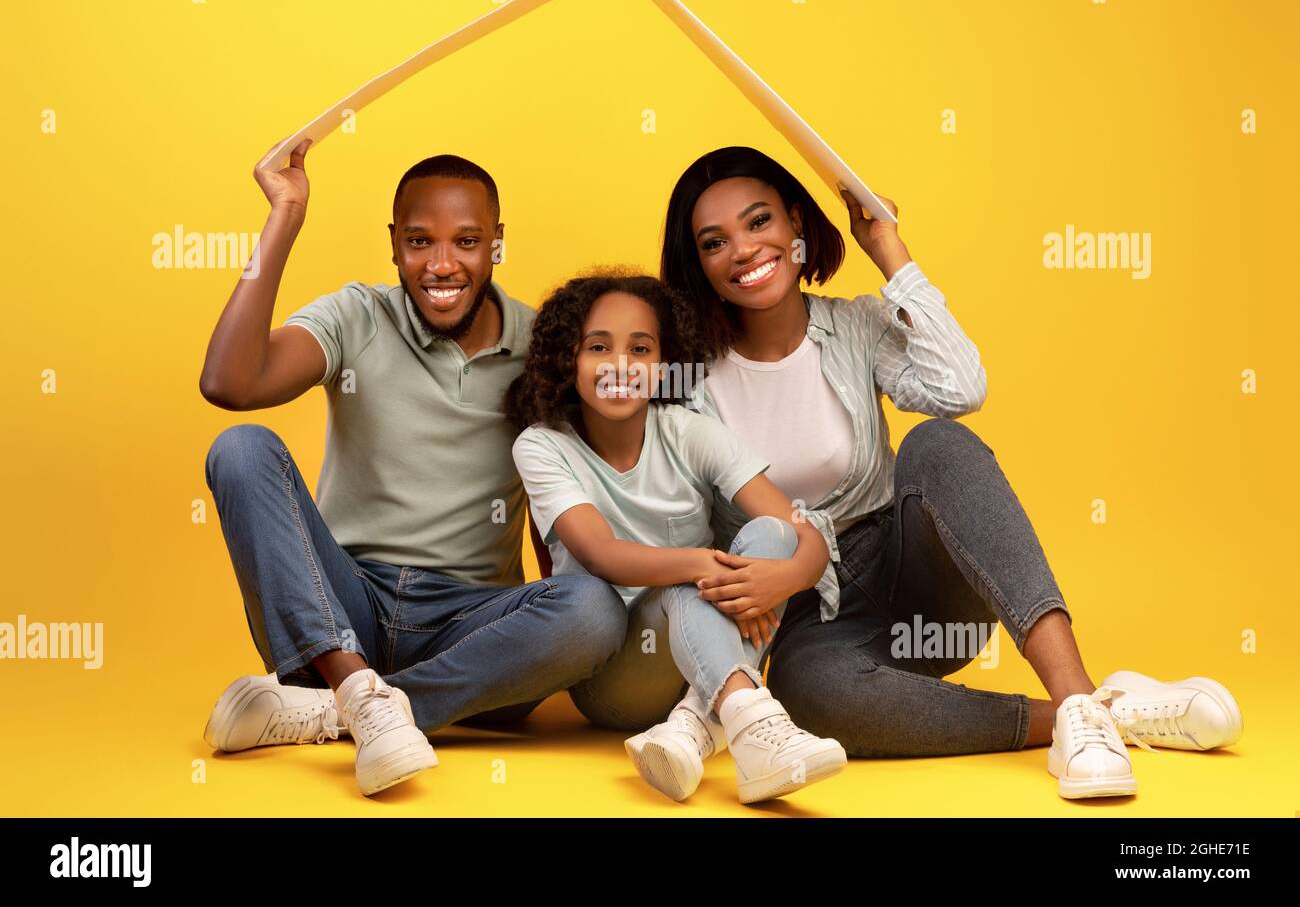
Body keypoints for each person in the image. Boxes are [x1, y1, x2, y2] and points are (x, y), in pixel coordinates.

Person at [658, 146, 1243, 799]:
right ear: (700, 267)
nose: (742, 249)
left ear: (796, 225)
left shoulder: (855, 325)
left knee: (938, 441)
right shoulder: (688, 379)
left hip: (917, 582)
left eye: (759, 221)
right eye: (715, 242)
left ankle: (1076, 695)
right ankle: (1096, 717)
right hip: (811, 619)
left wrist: (889, 250)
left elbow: (960, 386)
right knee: (811, 695)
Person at [197, 139, 627, 797]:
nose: (442, 264)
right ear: (394, 243)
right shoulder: (355, 315)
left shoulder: (542, 346)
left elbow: (556, 499)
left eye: (467, 241)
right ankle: (350, 684)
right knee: (241, 447)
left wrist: (554, 631)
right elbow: (230, 381)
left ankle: (344, 710)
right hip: (342, 611)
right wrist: (284, 215)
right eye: (420, 242)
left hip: (470, 630)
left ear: (497, 243)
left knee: (594, 609)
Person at [506, 270, 847, 803]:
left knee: (768, 534)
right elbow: (602, 553)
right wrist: (704, 566)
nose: (621, 365)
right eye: (598, 347)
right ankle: (750, 720)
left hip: (705, 645)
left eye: (640, 349)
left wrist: (790, 573)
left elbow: (797, 525)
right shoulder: (543, 446)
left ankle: (694, 727)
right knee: (692, 578)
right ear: (567, 359)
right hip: (615, 675)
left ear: (664, 364)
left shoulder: (689, 432)